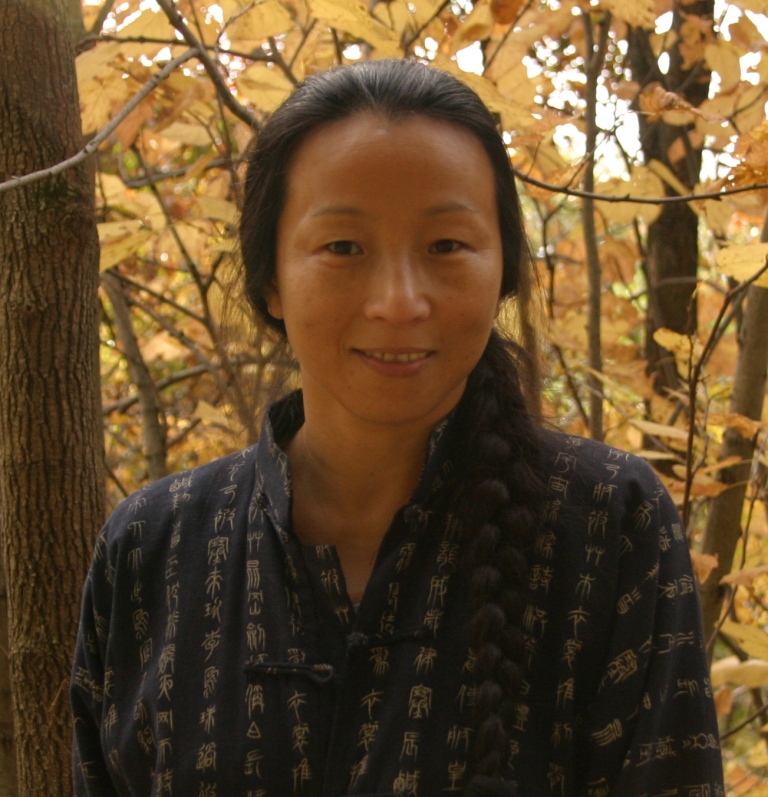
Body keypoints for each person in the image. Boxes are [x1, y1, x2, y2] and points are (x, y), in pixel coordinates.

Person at [71, 59, 724, 797]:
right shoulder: (152, 550)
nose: (399, 301)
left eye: (446, 246)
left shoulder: (612, 525)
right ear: (270, 279)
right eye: (343, 247)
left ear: (502, 270)